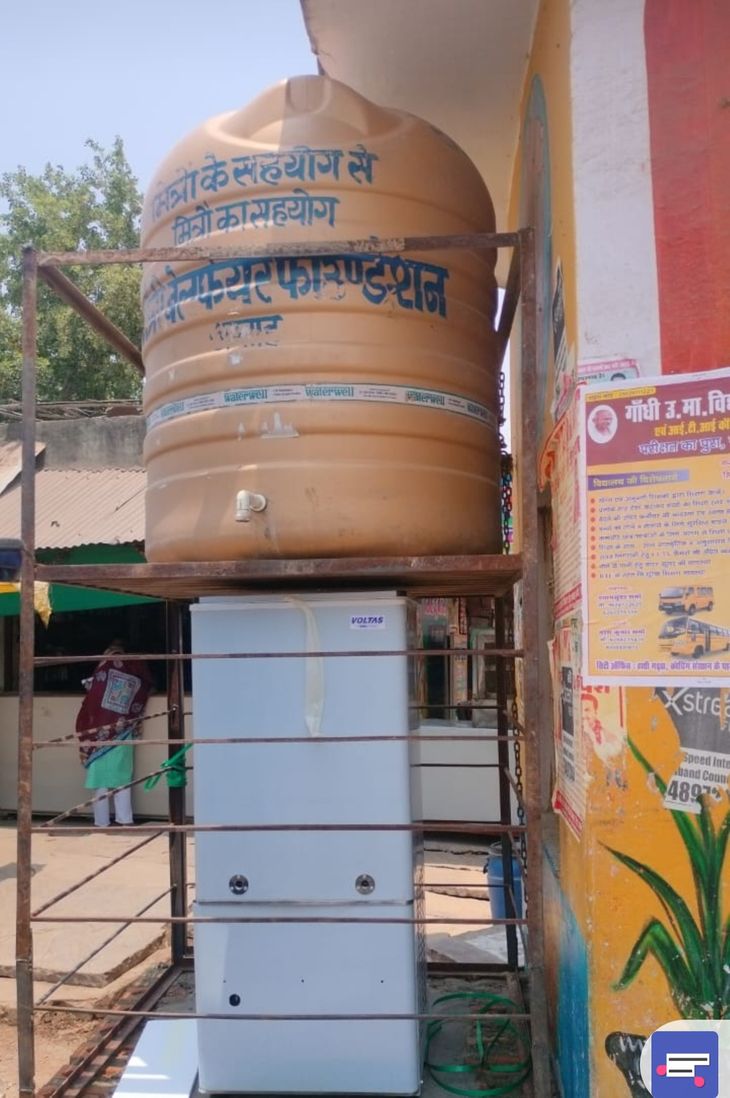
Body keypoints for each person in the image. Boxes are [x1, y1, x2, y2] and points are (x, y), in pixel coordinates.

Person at [75, 641, 153, 827]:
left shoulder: (102, 673)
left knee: (100, 783)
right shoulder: (133, 674)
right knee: (122, 780)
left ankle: (101, 822)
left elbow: (91, 702)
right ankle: (125, 819)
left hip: (98, 737)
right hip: (123, 734)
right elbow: (145, 689)